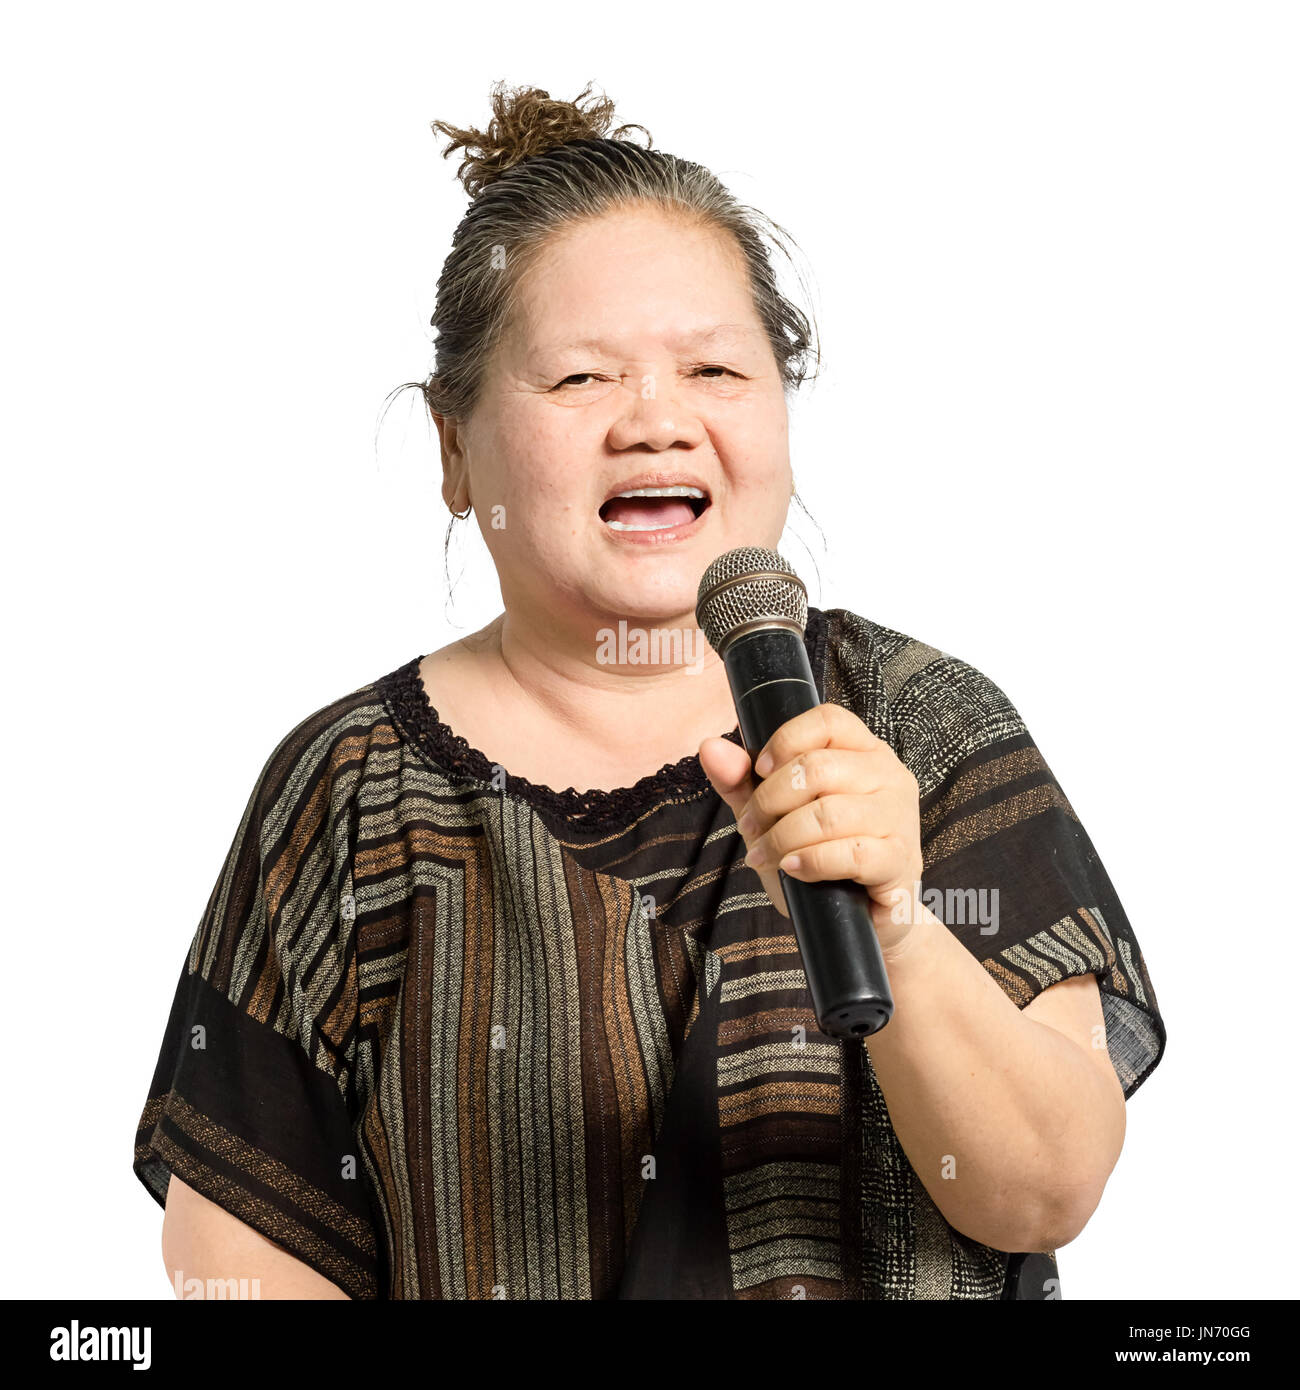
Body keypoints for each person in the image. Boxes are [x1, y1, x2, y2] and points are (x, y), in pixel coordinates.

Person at [133, 81, 1166, 1300]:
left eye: (716, 370)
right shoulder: (349, 788)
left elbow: (1043, 1190)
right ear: (454, 451)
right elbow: (241, 1271)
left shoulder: (923, 725)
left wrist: (892, 925)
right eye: (580, 381)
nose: (657, 422)